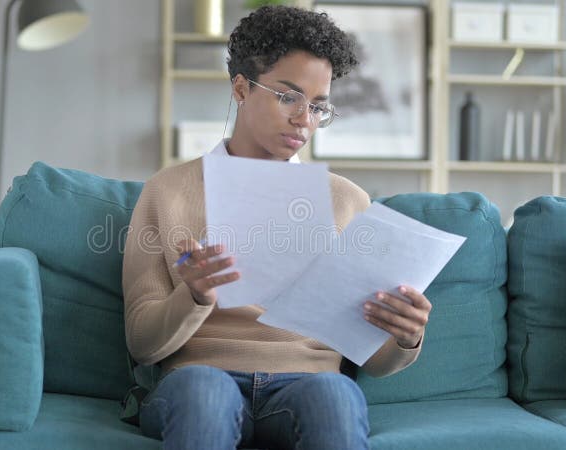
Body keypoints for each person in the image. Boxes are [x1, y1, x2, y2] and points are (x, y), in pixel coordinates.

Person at [122, 6, 432, 450]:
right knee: (205, 393)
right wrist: (193, 296)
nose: (304, 119)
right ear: (241, 88)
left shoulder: (347, 201)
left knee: (334, 397)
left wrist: (406, 336)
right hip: (197, 377)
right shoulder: (167, 191)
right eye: (288, 97)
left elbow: (374, 361)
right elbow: (142, 343)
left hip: (308, 381)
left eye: (318, 106)